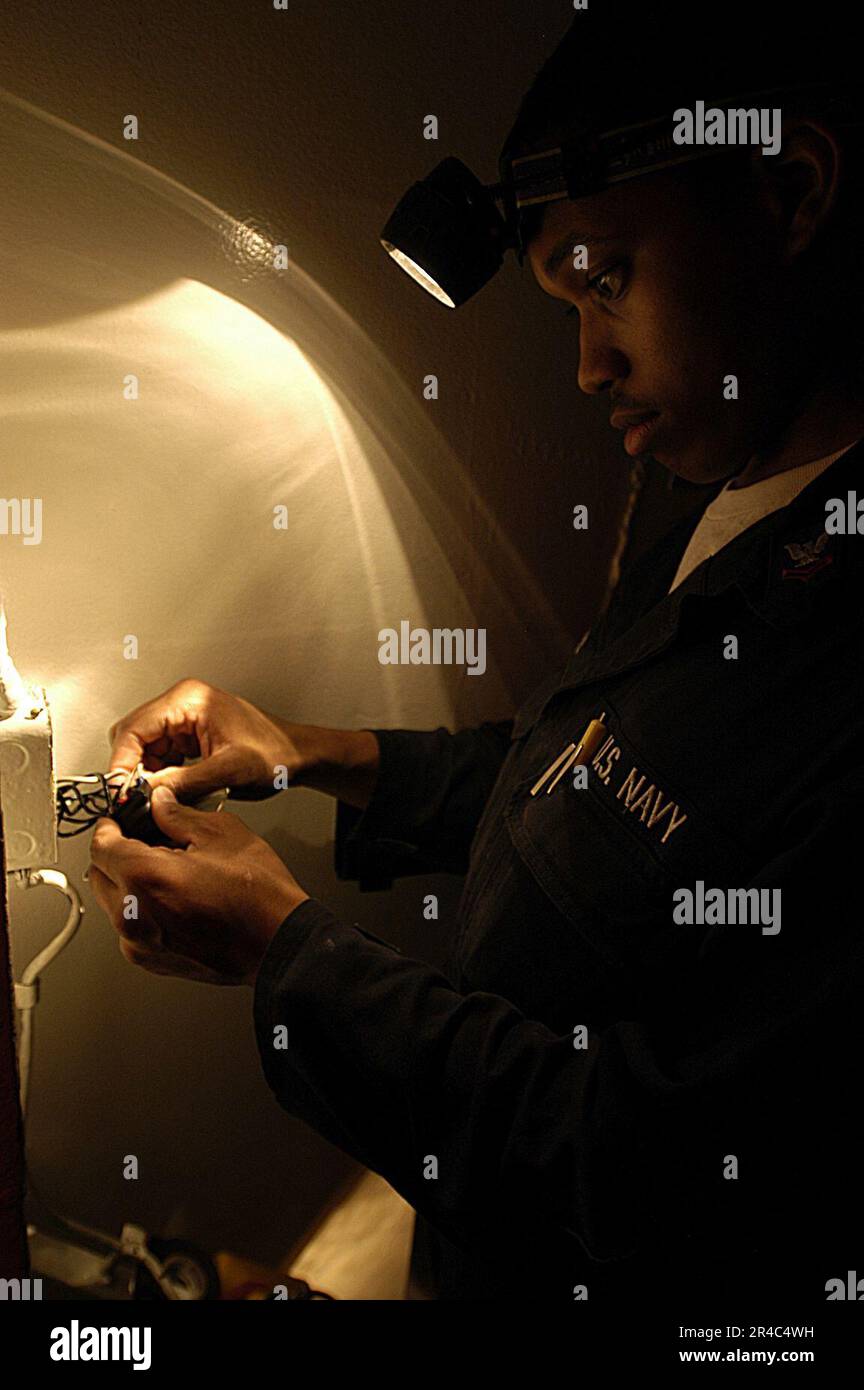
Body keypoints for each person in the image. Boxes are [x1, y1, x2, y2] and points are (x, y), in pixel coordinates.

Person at [90, 3, 864, 1305]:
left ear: (788, 191)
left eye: (608, 281)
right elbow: (602, 783)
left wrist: (289, 954)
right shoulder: (707, 467)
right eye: (564, 298)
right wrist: (310, 758)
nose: (585, 365)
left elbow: (642, 1161)